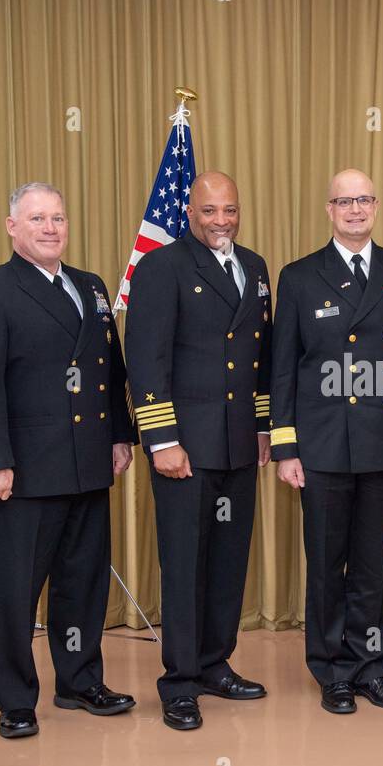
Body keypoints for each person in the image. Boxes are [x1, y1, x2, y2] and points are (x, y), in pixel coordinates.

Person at [0, 182, 137, 739]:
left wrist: (120, 434)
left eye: (58, 218)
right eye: (37, 219)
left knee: (83, 583)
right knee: (14, 590)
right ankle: (15, 698)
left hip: (86, 464)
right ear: (12, 227)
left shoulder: (90, 286)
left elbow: (111, 370)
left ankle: (80, 680)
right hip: (22, 471)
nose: (50, 228)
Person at [271, 169, 383, 714]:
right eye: (344, 201)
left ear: (376, 205)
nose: (355, 209)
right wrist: (285, 447)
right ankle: (331, 670)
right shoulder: (299, 276)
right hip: (322, 446)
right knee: (326, 563)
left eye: (363, 199)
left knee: (370, 564)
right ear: (329, 209)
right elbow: (283, 368)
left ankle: (369, 668)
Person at [125, 172, 272, 731]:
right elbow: (146, 359)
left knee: (228, 561)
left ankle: (215, 663)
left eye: (230, 210)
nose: (221, 221)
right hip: (183, 447)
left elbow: (263, 356)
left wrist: (262, 429)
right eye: (210, 211)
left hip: (237, 444)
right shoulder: (161, 267)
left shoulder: (254, 268)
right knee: (184, 565)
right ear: (190, 211)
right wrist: (162, 440)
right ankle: (179, 681)